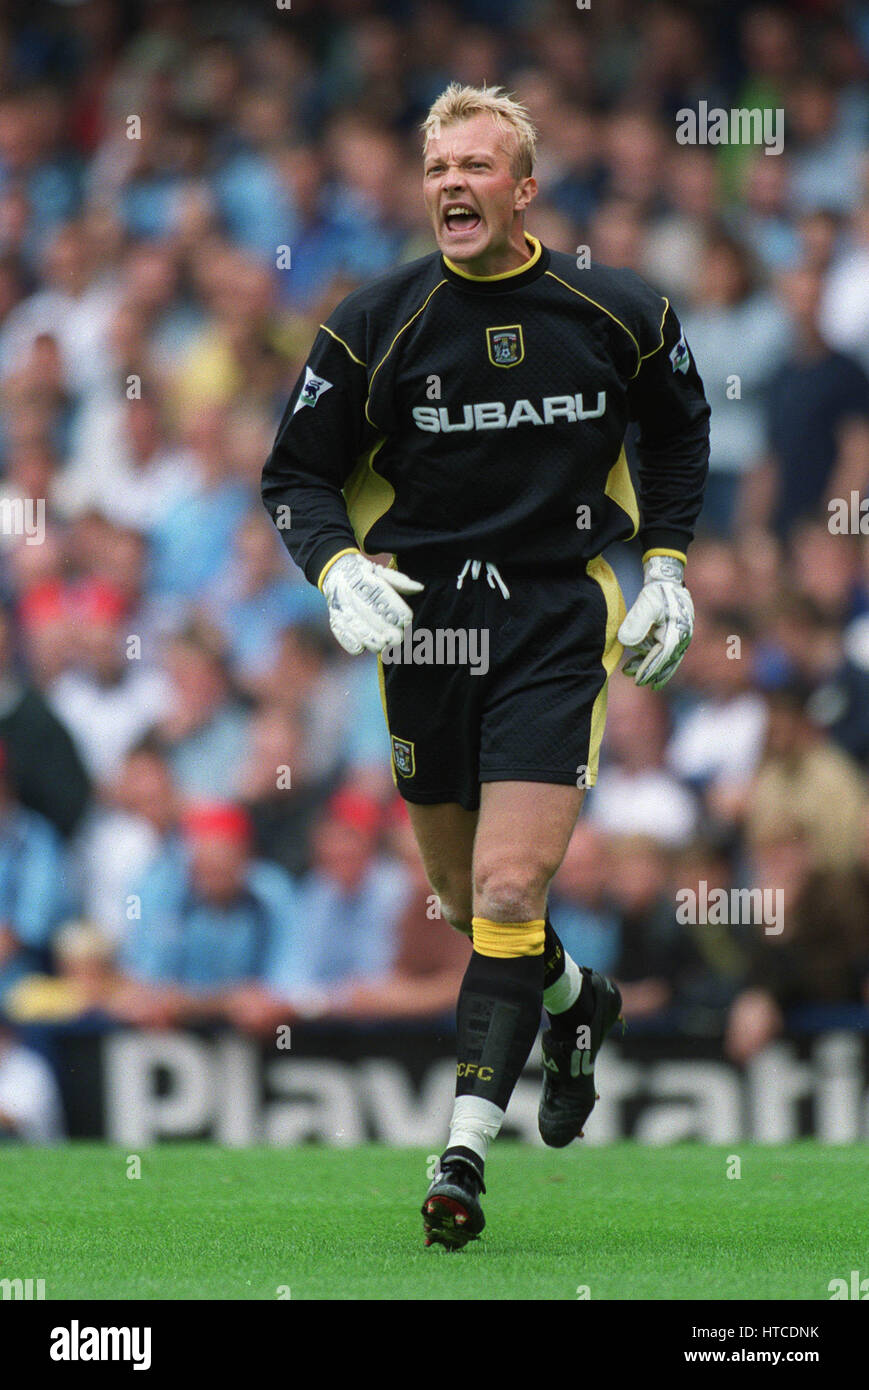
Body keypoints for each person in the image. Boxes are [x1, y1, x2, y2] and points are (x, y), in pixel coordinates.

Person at [262, 84, 709, 1248]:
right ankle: (579, 1001)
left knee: (510, 894)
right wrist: (333, 567)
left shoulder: (615, 310)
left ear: (522, 187)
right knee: (470, 909)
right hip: (422, 634)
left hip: (556, 624)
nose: (452, 184)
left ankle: (458, 1157)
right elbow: (292, 475)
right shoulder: (373, 322)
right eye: (436, 168)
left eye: (475, 166)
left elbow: (675, 427)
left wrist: (663, 564)